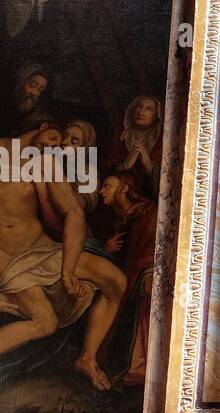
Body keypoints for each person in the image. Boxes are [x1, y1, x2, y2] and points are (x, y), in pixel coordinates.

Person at [0, 122, 126, 389]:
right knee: (45, 323)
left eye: (58, 145)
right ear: (43, 126)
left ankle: (87, 358)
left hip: (42, 250)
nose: (53, 146)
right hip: (8, 262)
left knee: (116, 281)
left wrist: (68, 271)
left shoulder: (45, 164)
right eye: (53, 137)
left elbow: (74, 213)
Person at [98, 172, 157, 386]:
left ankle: (139, 366)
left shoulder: (147, 213)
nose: (101, 191)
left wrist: (146, 269)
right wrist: (106, 248)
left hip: (142, 275)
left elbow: (151, 247)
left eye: (107, 186)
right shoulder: (120, 222)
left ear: (123, 188)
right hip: (126, 279)